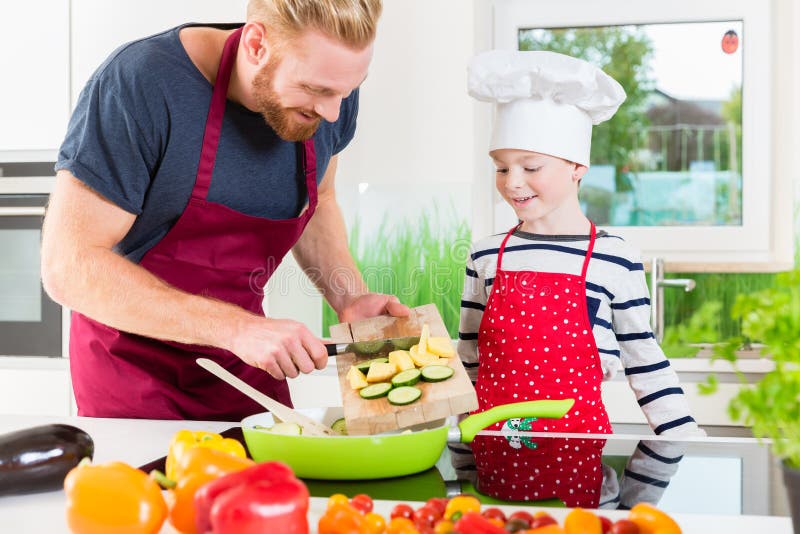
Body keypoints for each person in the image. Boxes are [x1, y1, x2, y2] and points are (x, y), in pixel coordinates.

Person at [40, 0, 408, 421]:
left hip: (244, 365)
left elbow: (319, 201)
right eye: (315, 90)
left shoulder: (329, 88)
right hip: (131, 370)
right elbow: (68, 266)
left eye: (346, 91)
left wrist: (350, 297)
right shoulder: (141, 84)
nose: (331, 113)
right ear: (255, 45)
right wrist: (235, 328)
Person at [449, 50, 703, 503]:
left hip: (579, 467)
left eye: (530, 167)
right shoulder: (486, 255)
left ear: (577, 168)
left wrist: (682, 437)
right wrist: (459, 451)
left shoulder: (614, 258)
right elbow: (469, 357)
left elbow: (643, 358)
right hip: (491, 467)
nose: (512, 182)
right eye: (501, 167)